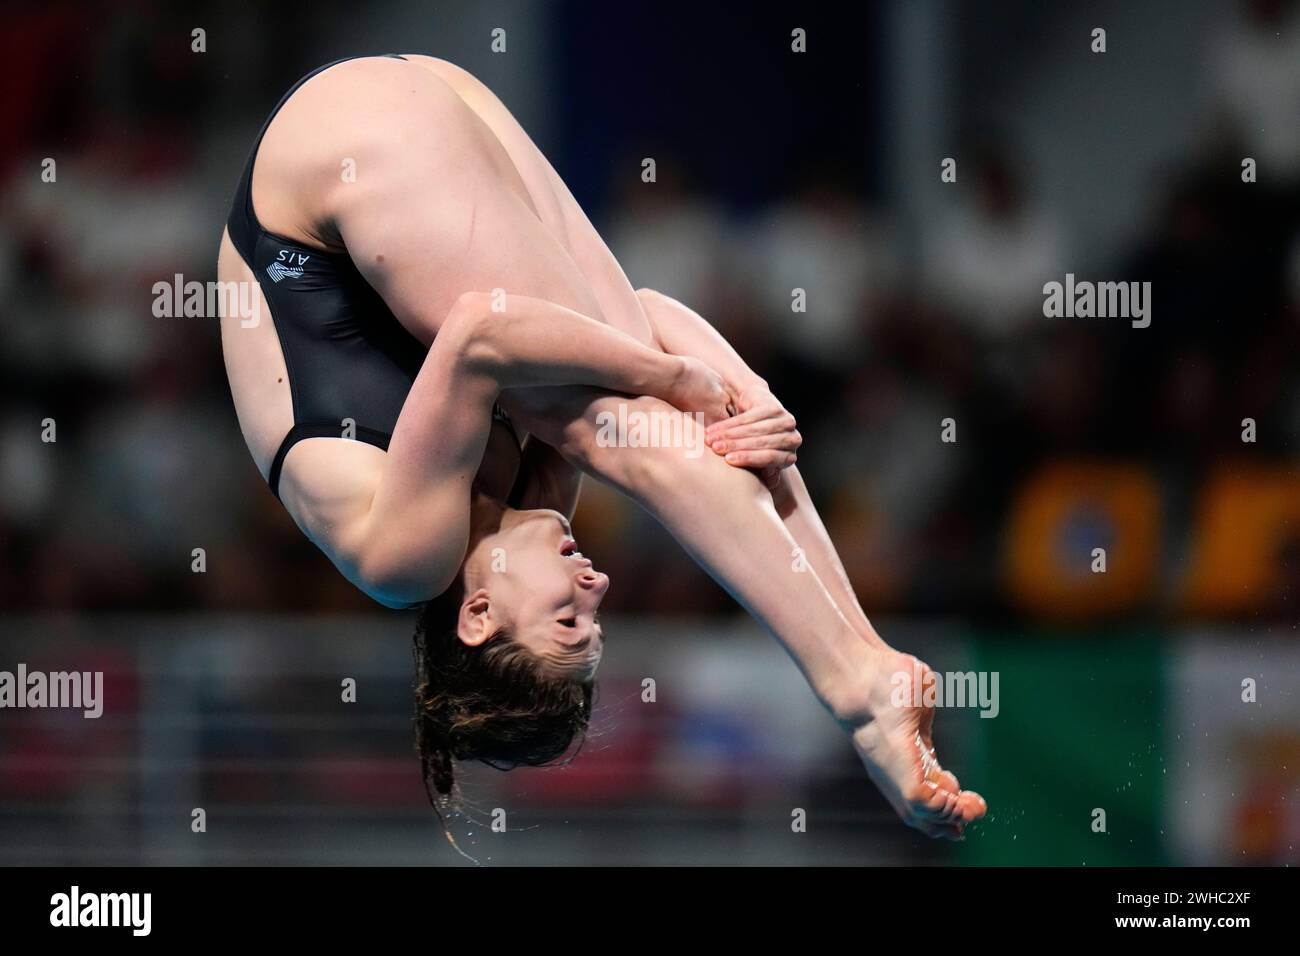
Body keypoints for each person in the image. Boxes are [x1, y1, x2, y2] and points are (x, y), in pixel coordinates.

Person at [218, 54, 986, 841]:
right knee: (630, 401)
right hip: (423, 108)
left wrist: (673, 373)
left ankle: (857, 689)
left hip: (324, 162)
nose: (598, 584)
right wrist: (746, 389)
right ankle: (862, 648)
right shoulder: (524, 505)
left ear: (479, 615)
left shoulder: (401, 561)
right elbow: (644, 317)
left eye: (567, 619)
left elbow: (481, 331)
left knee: (608, 425)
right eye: (597, 621)